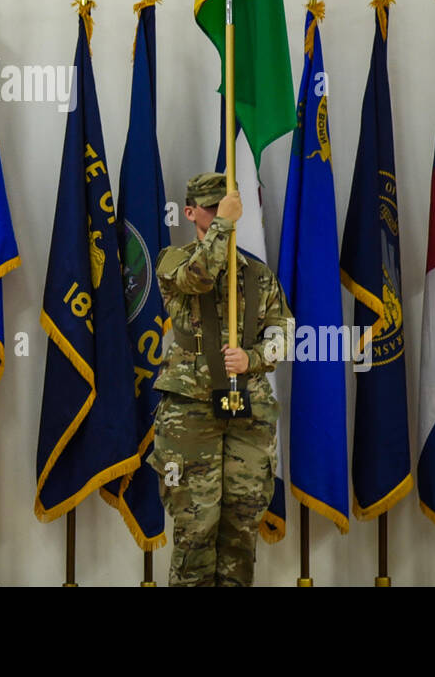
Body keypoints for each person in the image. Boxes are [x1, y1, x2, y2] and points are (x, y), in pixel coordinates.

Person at [150, 171, 292, 587]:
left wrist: (252, 359)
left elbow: (284, 334)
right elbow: (200, 277)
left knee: (241, 529)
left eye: (224, 207)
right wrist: (225, 225)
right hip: (190, 414)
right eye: (210, 209)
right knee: (196, 529)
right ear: (190, 211)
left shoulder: (258, 275)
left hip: (249, 413)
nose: (217, 215)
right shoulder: (173, 262)